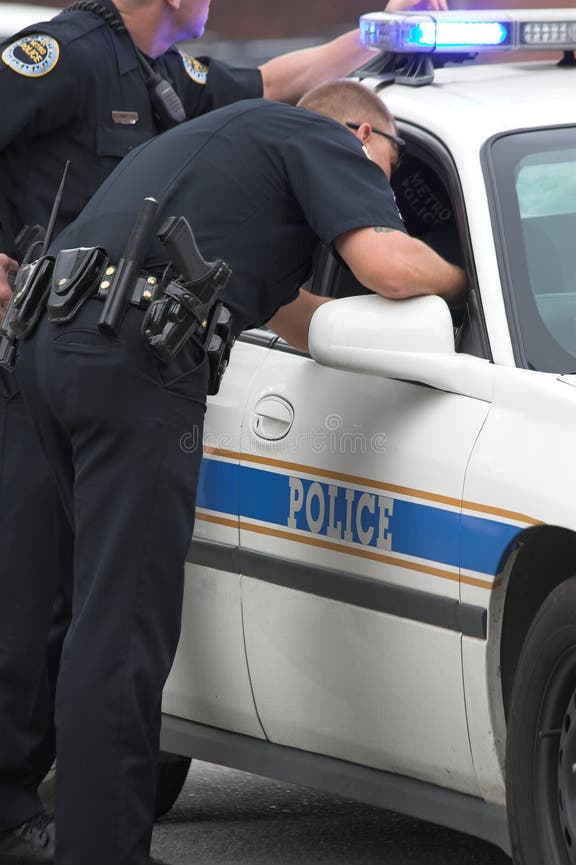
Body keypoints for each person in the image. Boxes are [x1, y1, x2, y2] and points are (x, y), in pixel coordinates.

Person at [0, 0, 449, 861]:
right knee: (84, 617)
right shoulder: (74, 58)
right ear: (361, 139)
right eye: (384, 174)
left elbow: (293, 309)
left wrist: (374, 32)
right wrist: (452, 275)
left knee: (78, 612)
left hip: (66, 350)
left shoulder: (203, 114)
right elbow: (386, 258)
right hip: (103, 356)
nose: (380, 195)